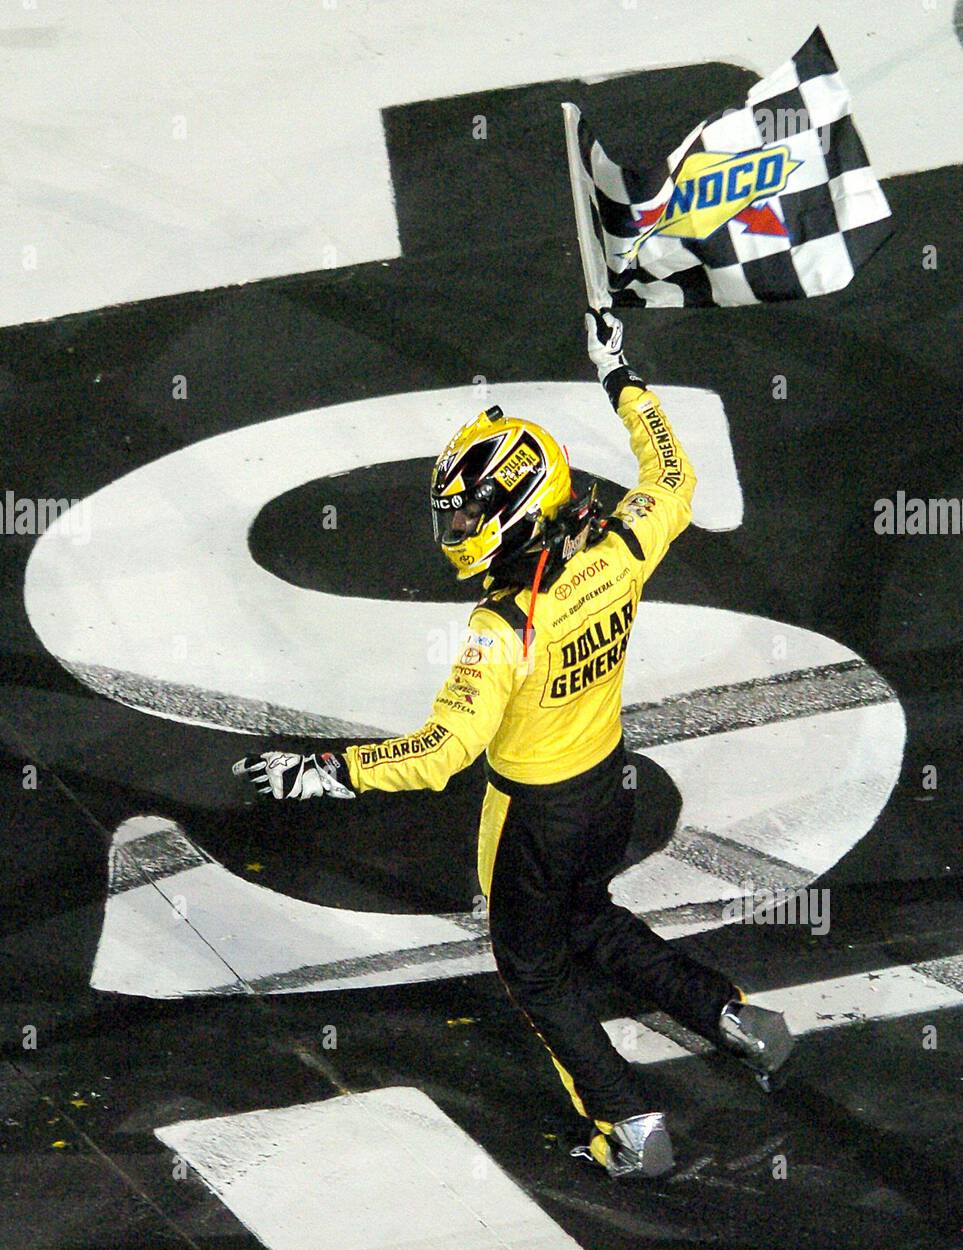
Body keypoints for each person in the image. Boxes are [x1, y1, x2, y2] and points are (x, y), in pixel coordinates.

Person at [233, 310, 794, 1177]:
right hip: (609, 786)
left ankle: (631, 1125)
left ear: (518, 518)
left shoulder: (503, 625)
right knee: (590, 920)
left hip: (533, 816)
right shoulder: (617, 550)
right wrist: (620, 376)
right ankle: (734, 1018)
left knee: (532, 972)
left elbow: (442, 751)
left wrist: (323, 770)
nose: (453, 537)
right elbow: (673, 478)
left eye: (465, 522)